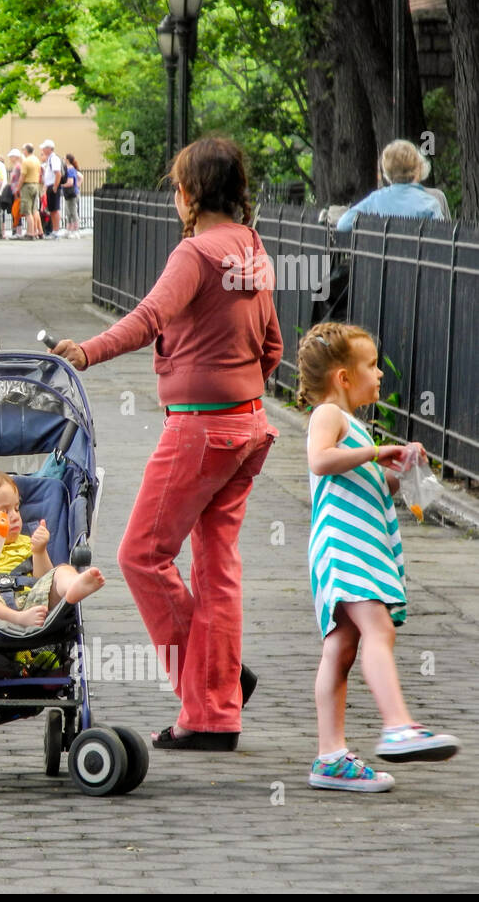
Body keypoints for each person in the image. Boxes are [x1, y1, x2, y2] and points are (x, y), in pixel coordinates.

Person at [50, 136, 281, 750]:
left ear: (189, 193)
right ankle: (218, 705)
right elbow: (274, 346)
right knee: (218, 568)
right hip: (248, 423)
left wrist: (86, 351)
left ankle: (210, 692)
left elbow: (150, 316)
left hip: (200, 428)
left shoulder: (196, 252)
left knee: (140, 555)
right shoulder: (253, 249)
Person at [297, 323, 460, 791]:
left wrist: (397, 471)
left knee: (342, 648)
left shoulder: (356, 427)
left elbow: (366, 486)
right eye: (371, 366)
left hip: (354, 546)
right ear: (344, 377)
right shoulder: (329, 415)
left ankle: (330, 756)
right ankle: (397, 725)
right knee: (378, 628)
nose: (379, 375)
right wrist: (375, 450)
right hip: (343, 547)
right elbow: (319, 460)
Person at [0, 467, 106, 629]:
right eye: (3, 512)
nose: (14, 516)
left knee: (61, 570)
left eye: (16, 508)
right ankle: (15, 617)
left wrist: (39, 551)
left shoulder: (26, 541)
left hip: (32, 603)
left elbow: (42, 579)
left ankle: (73, 585)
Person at [335, 140, 446, 232]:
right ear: (418, 169)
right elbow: (443, 240)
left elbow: (342, 225)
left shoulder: (374, 200)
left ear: (387, 173)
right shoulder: (429, 204)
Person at [18, 142, 43, 240]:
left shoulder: (26, 161)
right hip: (36, 185)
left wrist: (18, 188)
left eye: (23, 149)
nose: (22, 151)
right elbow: (40, 173)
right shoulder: (37, 160)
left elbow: (22, 177)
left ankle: (30, 233)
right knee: (34, 210)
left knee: (27, 211)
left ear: (26, 150)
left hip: (27, 186)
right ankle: (37, 231)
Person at [41, 139, 63, 238]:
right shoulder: (50, 158)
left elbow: (58, 173)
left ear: (49, 149)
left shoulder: (54, 159)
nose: (43, 150)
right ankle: (54, 230)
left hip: (53, 186)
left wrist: (55, 186)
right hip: (50, 186)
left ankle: (56, 231)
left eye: (44, 148)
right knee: (52, 209)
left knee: (55, 209)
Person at [63, 154, 83, 235]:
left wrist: (61, 184)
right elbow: (80, 177)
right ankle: (69, 229)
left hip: (72, 193)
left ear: (67, 160)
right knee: (68, 211)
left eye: (64, 158)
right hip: (70, 193)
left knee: (73, 211)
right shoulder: (69, 169)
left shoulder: (70, 169)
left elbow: (70, 182)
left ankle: (75, 230)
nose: (63, 159)